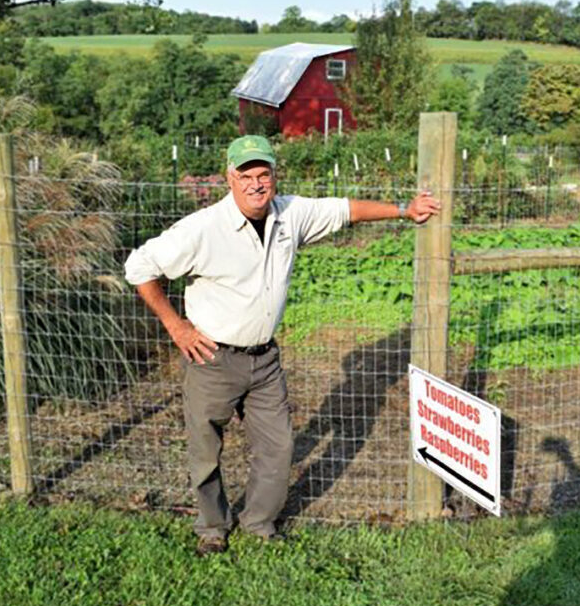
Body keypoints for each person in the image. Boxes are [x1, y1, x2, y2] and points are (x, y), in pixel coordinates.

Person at [124, 135, 440, 555]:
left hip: (265, 359)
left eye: (264, 174)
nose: (256, 184)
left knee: (278, 447)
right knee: (205, 450)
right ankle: (212, 527)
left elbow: (347, 210)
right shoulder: (202, 229)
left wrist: (404, 210)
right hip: (212, 358)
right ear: (229, 178)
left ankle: (258, 524)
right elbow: (139, 267)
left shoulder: (291, 213)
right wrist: (176, 326)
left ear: (274, 175)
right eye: (246, 175)